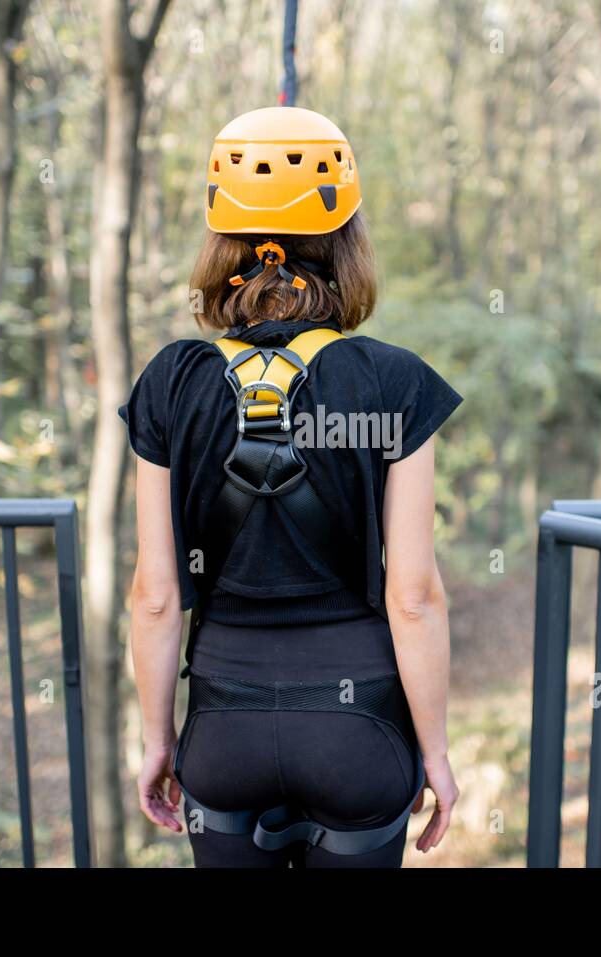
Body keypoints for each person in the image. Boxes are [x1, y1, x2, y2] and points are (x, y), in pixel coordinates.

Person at [120, 106, 462, 867]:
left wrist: (159, 740)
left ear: (220, 240)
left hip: (223, 729)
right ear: (347, 242)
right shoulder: (392, 379)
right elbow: (413, 595)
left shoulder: (172, 382)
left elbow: (154, 593)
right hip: (359, 730)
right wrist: (433, 751)